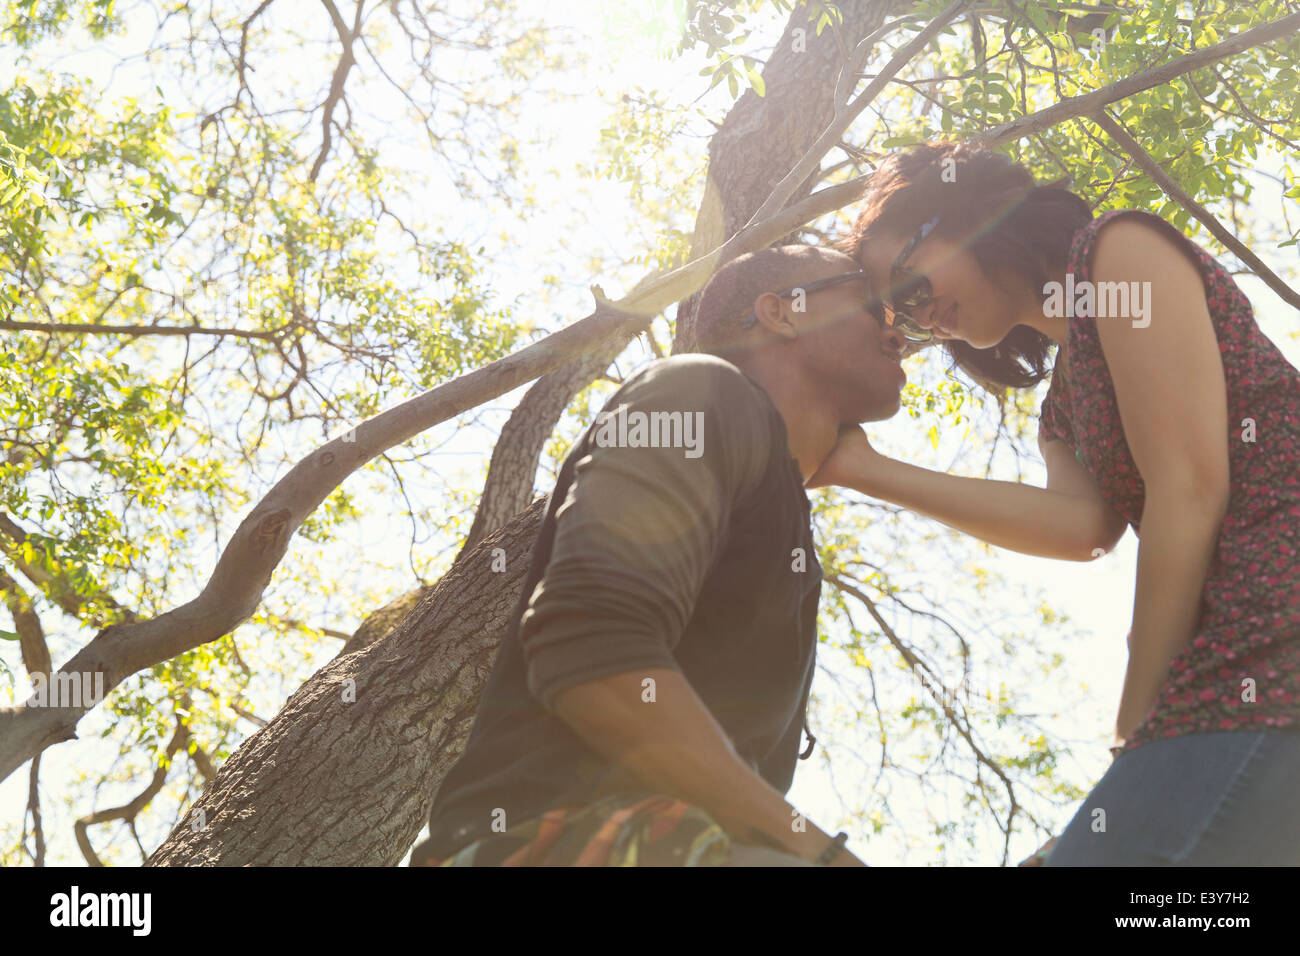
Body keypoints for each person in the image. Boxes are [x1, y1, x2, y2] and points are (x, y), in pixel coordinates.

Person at [812, 141, 1300, 865]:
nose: (922, 316)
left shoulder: (1118, 254)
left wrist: (1134, 738)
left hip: (1274, 622)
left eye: (910, 283)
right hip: (1230, 652)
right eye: (902, 316)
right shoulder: (1063, 407)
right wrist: (863, 470)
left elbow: (1189, 488)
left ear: (971, 214)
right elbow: (1082, 530)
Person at [409, 244, 908, 866]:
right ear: (784, 314)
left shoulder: (791, 533)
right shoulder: (698, 390)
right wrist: (822, 854)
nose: (899, 333)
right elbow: (594, 646)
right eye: (871, 302)